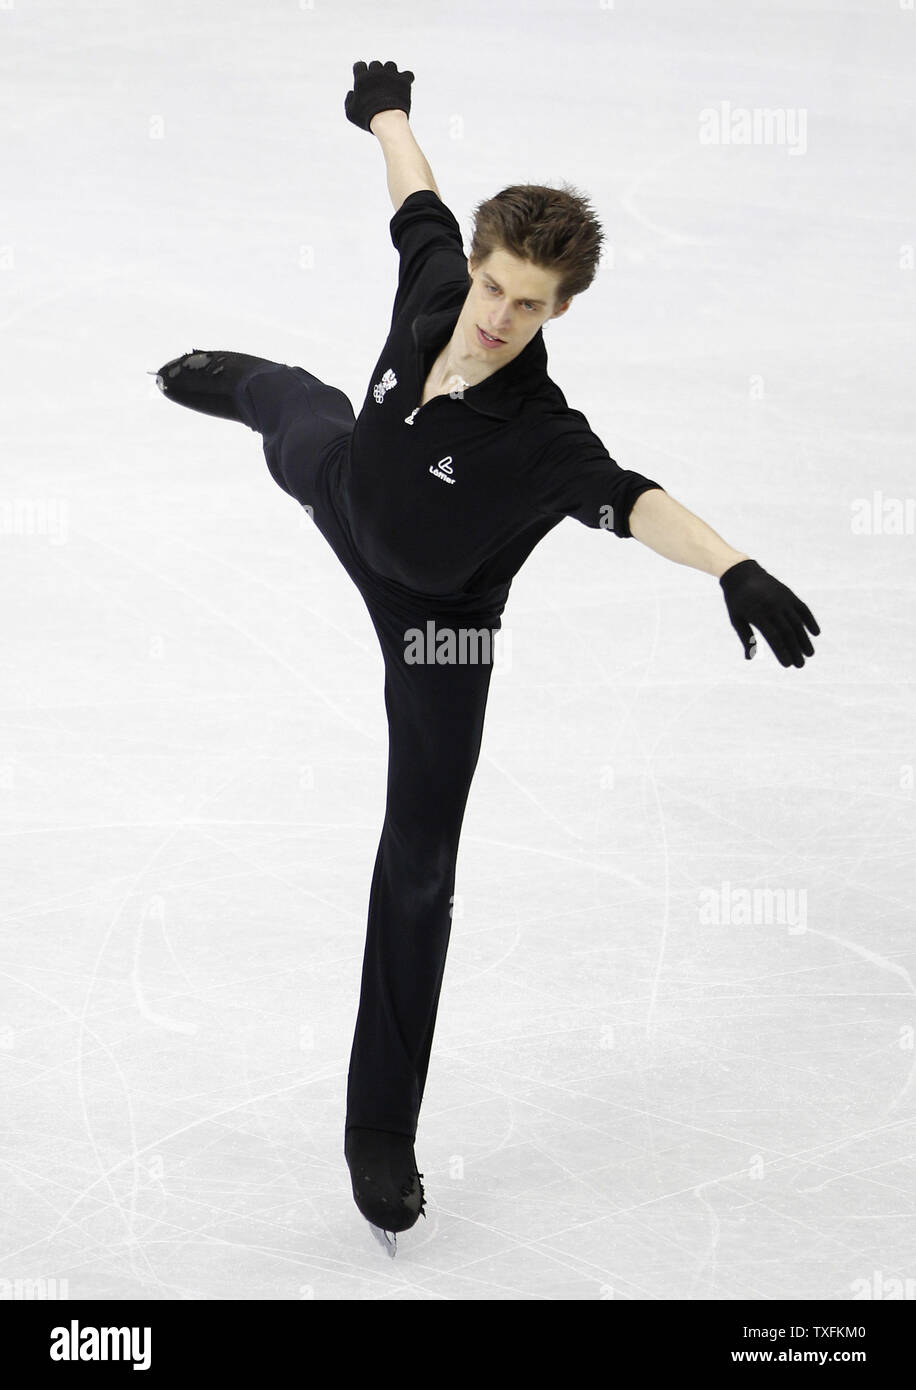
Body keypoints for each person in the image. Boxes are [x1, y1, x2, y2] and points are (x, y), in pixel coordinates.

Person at [154, 60, 820, 1253]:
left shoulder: (545, 441)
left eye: (529, 304)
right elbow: (414, 197)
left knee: (419, 865)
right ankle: (258, 379)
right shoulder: (434, 286)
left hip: (440, 625)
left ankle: (380, 1133)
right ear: (477, 264)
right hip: (352, 490)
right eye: (493, 285)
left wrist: (730, 564)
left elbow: (633, 497)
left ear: (560, 311)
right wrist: (387, 114)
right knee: (293, 417)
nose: (497, 317)